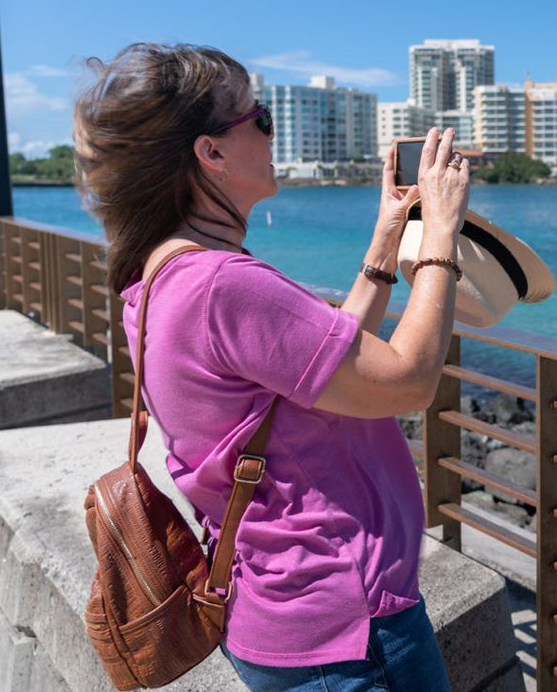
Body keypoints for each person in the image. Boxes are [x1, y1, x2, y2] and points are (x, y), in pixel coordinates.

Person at [73, 42, 469, 692]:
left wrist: (386, 240)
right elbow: (410, 380)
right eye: (259, 118)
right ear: (212, 153)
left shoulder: (159, 276)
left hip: (278, 616)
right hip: (347, 633)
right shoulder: (225, 285)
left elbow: (321, 369)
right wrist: (443, 238)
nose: (270, 129)